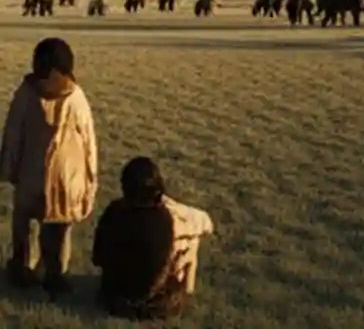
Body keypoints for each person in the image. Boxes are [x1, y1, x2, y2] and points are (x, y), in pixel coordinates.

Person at [0, 37, 98, 297]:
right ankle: (56, 273)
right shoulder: (76, 96)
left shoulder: (26, 92)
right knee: (61, 227)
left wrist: (8, 169)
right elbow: (89, 141)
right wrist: (91, 178)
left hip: (31, 173)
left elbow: (12, 134)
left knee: (23, 222)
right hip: (67, 176)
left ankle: (22, 267)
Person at [92, 157, 214, 321]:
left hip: (110, 294)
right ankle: (187, 290)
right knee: (190, 242)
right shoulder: (163, 219)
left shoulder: (114, 210)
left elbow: (97, 257)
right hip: (148, 302)